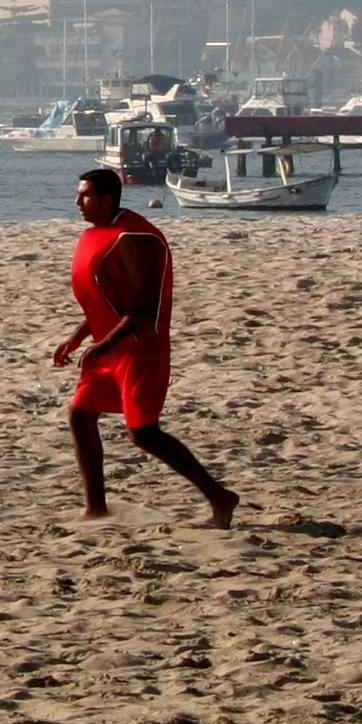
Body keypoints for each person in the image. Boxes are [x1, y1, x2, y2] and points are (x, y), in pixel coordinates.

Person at [53, 167, 238, 525]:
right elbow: (108, 301)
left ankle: (220, 496)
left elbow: (142, 308)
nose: (78, 202)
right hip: (108, 348)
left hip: (139, 349)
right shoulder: (98, 234)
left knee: (144, 433)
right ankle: (95, 508)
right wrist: (78, 337)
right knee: (80, 415)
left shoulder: (133, 237)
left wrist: (103, 344)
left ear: (107, 199)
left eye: (85, 195)